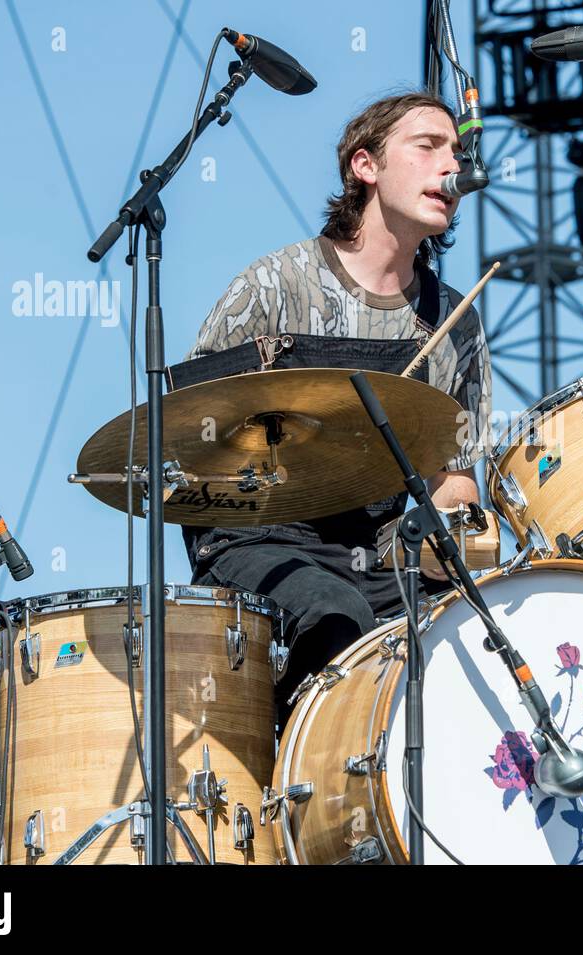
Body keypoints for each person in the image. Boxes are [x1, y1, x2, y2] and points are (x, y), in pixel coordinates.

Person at [180, 91, 492, 726]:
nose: (450, 166)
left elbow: (453, 478)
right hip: (257, 537)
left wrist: (457, 535)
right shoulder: (272, 286)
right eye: (428, 146)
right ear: (365, 166)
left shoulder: (457, 321)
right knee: (333, 613)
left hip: (376, 552)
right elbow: (190, 437)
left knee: (471, 640)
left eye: (456, 152)